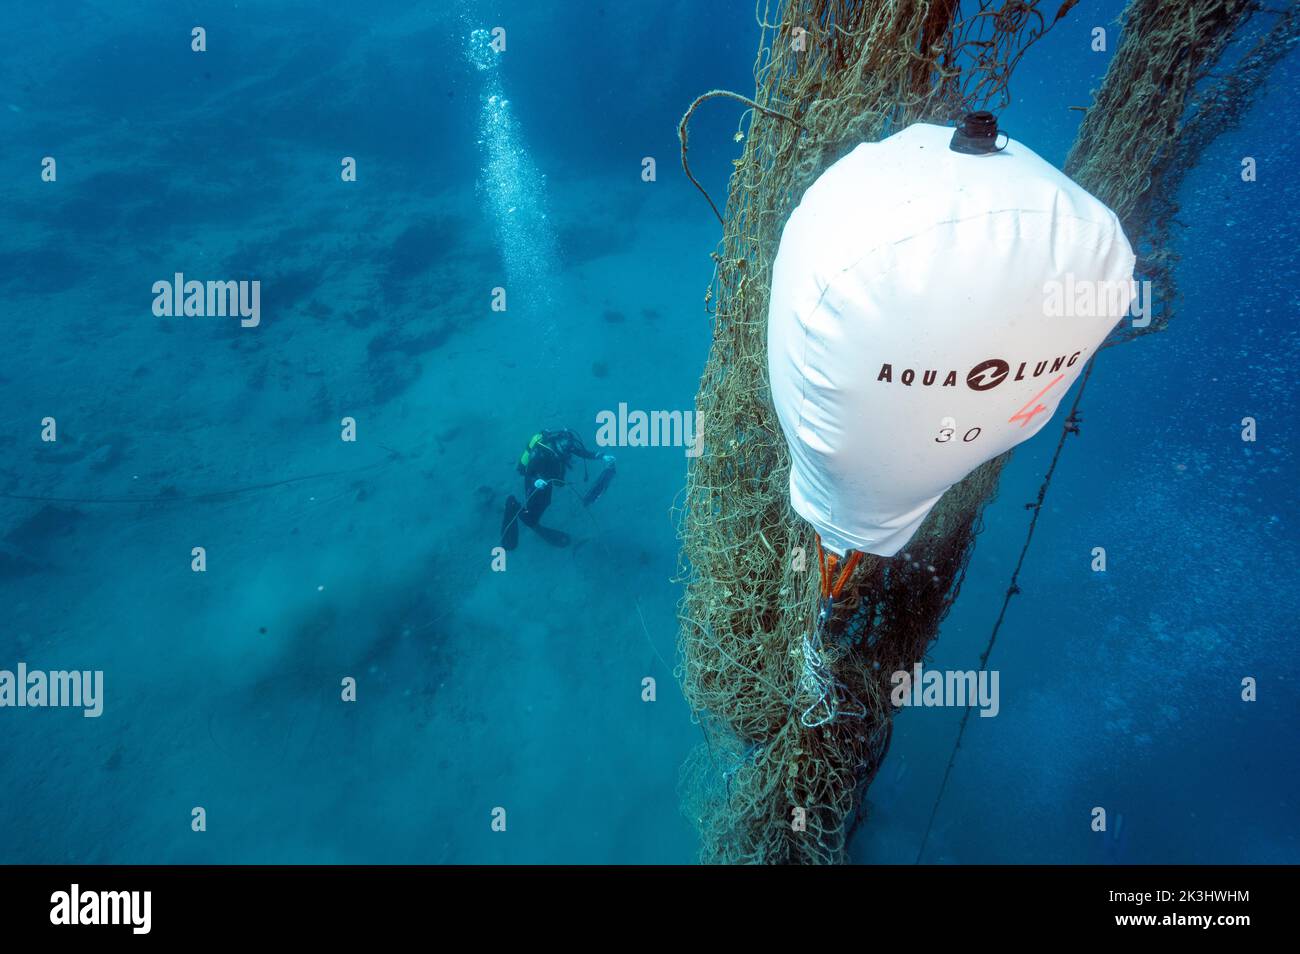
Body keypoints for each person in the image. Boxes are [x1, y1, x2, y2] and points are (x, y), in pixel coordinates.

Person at [501, 429, 614, 550]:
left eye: (568, 448)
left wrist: (602, 456)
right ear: (558, 442)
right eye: (564, 448)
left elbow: (582, 452)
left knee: (545, 502)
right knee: (531, 507)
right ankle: (512, 504)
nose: (567, 452)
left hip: (547, 480)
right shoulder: (542, 452)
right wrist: (536, 482)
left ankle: (532, 520)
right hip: (535, 480)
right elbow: (529, 470)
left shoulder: (567, 446)